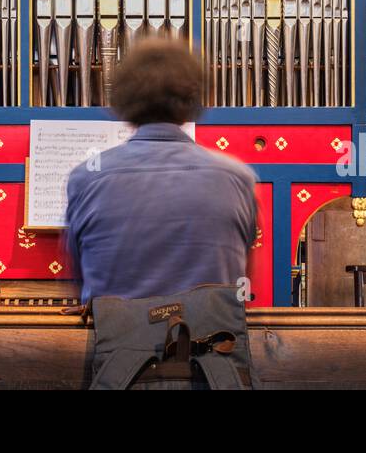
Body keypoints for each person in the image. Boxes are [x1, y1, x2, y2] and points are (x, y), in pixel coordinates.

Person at [64, 37, 257, 303]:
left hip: (118, 342)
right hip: (210, 342)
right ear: (194, 98)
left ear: (123, 99)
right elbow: (242, 274)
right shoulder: (237, 178)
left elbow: (82, 274)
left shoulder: (86, 178)